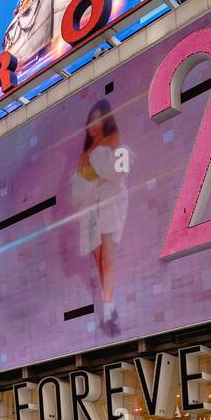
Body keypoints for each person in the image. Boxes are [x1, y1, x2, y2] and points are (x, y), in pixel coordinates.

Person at [70, 98, 129, 337]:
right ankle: (110, 306)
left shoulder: (112, 139)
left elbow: (115, 174)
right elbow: (77, 191)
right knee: (99, 260)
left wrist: (97, 178)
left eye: (98, 119)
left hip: (109, 205)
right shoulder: (83, 155)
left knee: (107, 258)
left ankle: (107, 311)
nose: (93, 124)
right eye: (90, 120)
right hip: (89, 213)